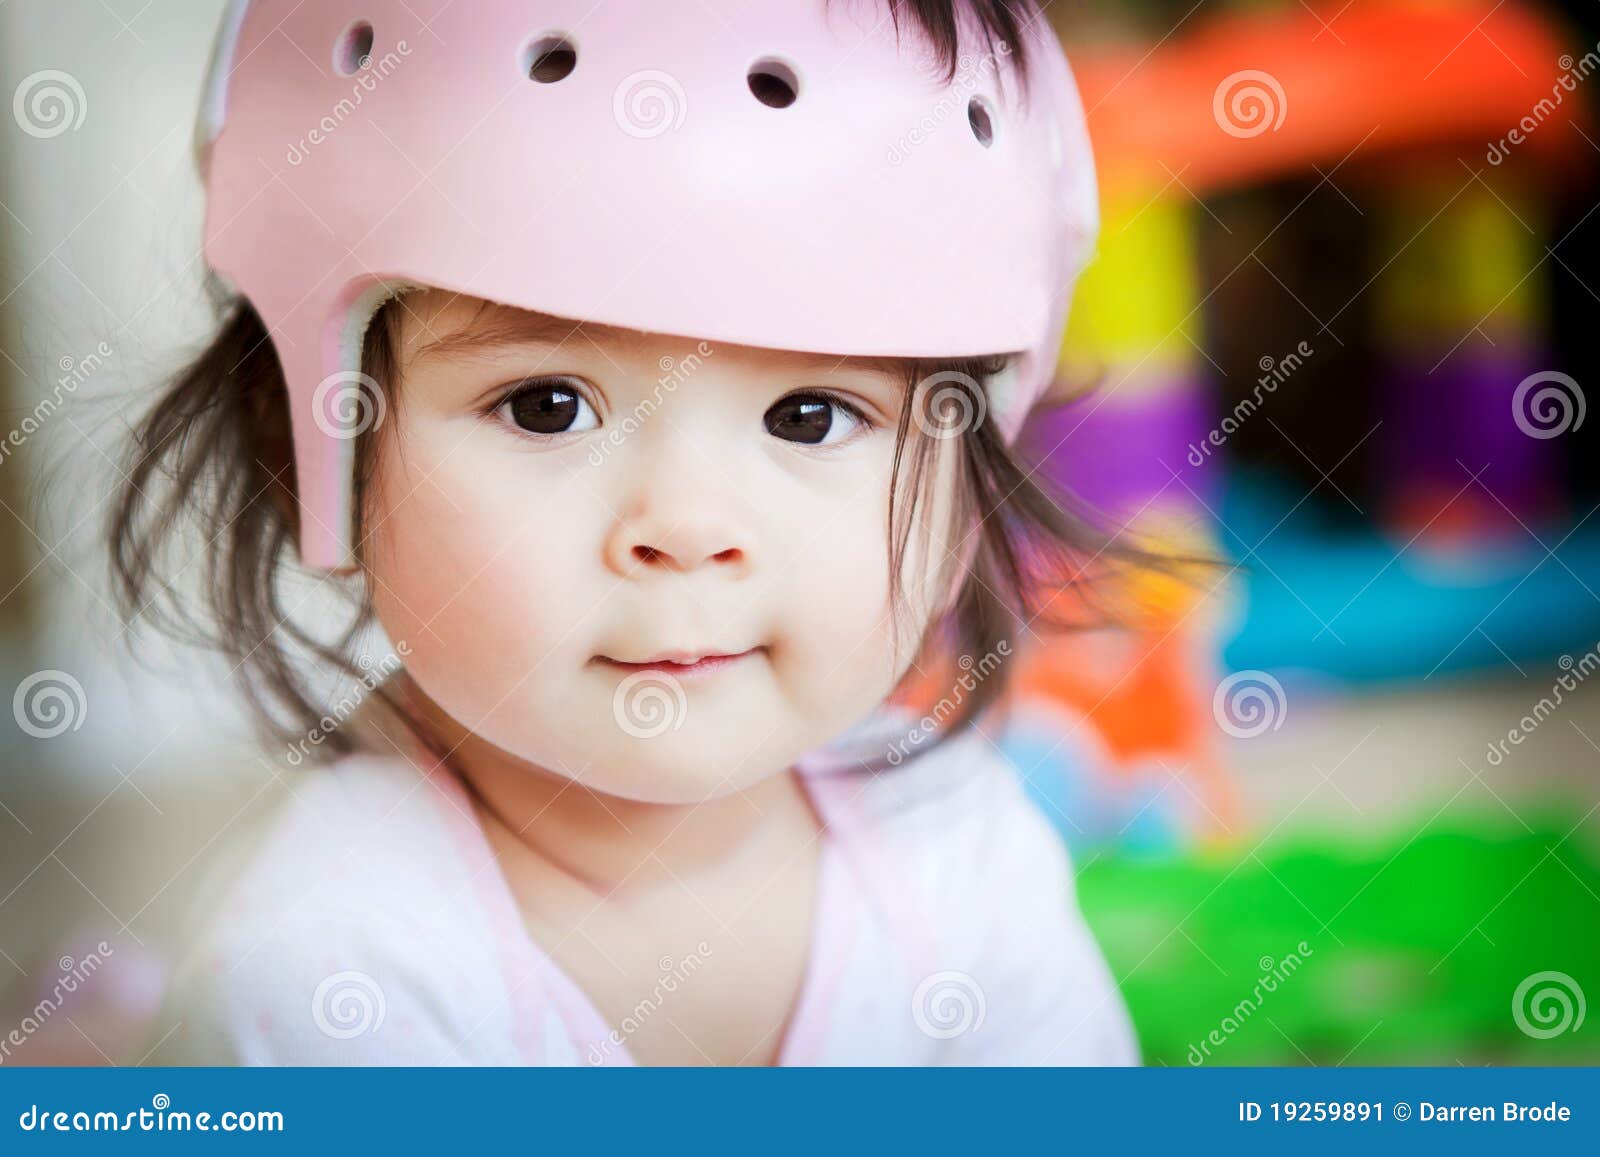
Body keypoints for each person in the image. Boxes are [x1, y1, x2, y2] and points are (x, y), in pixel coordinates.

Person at [109, 0, 1151, 1065]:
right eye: (547, 406)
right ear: (308, 445)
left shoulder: (965, 853)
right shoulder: (328, 983)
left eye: (810, 415)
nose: (688, 528)